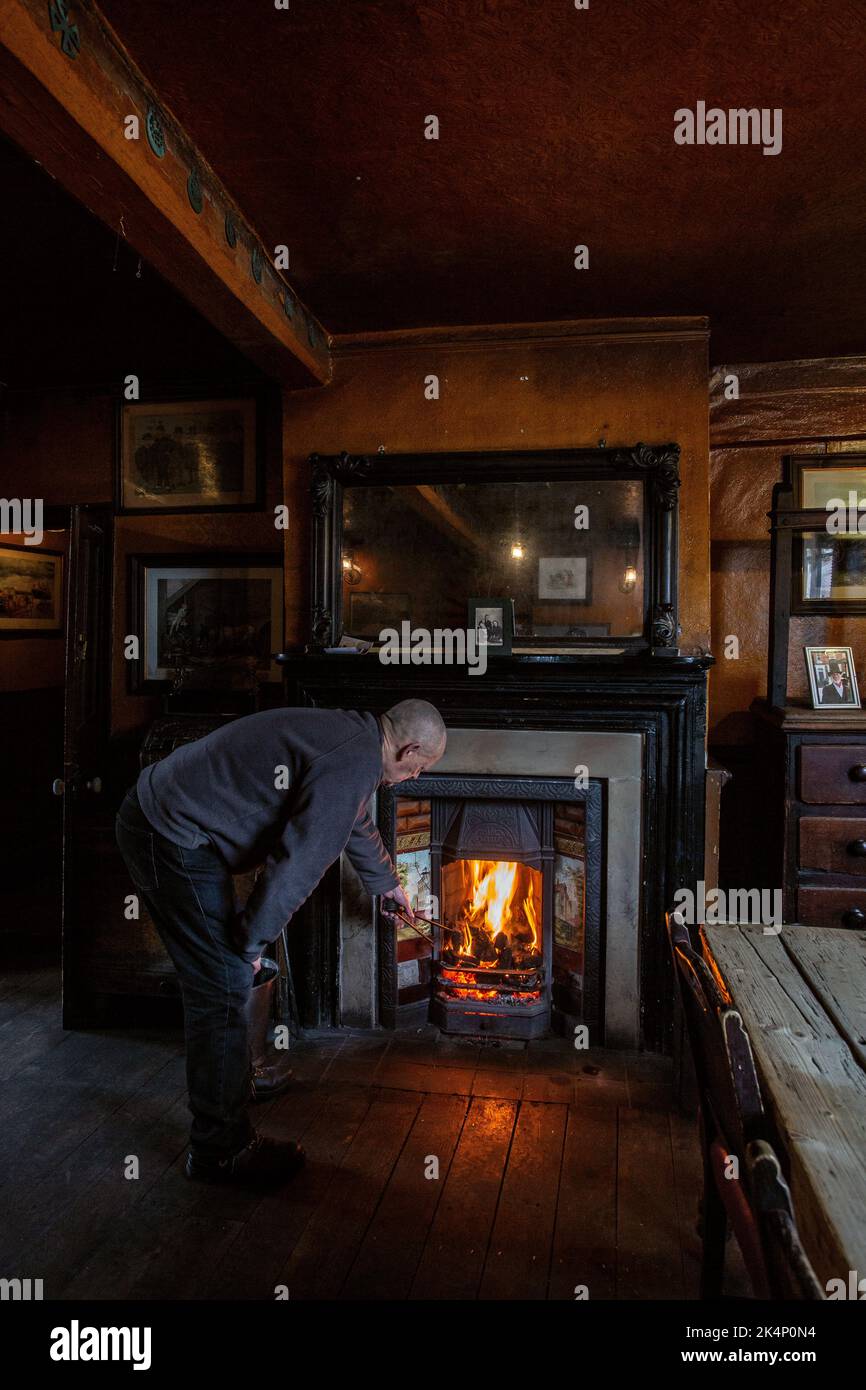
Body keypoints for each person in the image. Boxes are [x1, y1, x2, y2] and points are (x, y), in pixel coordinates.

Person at [115, 699, 447, 1187]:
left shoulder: (353, 739)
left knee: (228, 970)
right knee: (223, 981)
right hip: (167, 834)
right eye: (420, 768)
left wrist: (386, 881)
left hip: (180, 828)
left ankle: (237, 1078)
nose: (416, 777)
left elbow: (351, 817)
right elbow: (296, 868)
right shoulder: (353, 759)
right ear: (409, 747)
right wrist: (250, 944)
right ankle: (219, 1150)